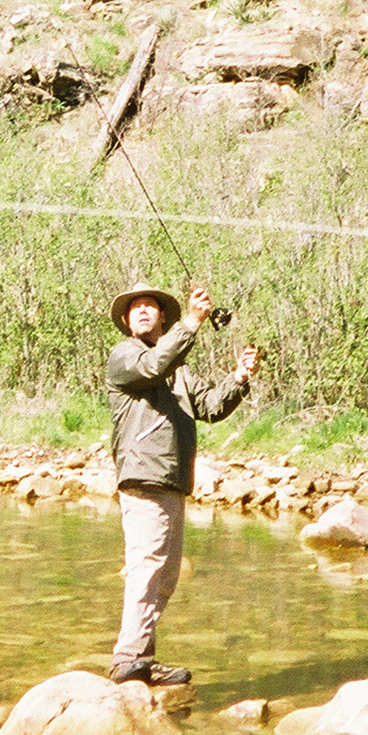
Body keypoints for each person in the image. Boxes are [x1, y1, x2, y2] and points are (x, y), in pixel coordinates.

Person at [105, 281, 261, 686]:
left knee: (166, 574)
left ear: (162, 318)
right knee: (147, 566)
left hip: (172, 480)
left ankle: (143, 658)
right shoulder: (125, 356)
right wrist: (193, 320)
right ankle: (127, 657)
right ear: (127, 321)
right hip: (143, 477)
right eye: (135, 307)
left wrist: (240, 377)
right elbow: (153, 366)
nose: (142, 311)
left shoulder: (181, 372)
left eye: (150, 306)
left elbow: (211, 408)